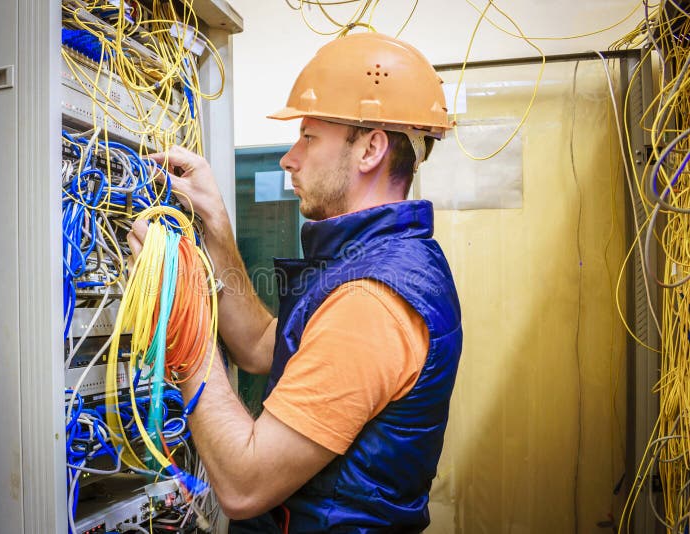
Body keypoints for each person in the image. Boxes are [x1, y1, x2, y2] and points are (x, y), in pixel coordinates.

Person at [128, 32, 462, 533]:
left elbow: (244, 484)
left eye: (308, 137)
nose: (289, 158)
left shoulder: (371, 302)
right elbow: (264, 347)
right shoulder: (377, 259)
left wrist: (182, 314)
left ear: (370, 148)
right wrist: (216, 225)